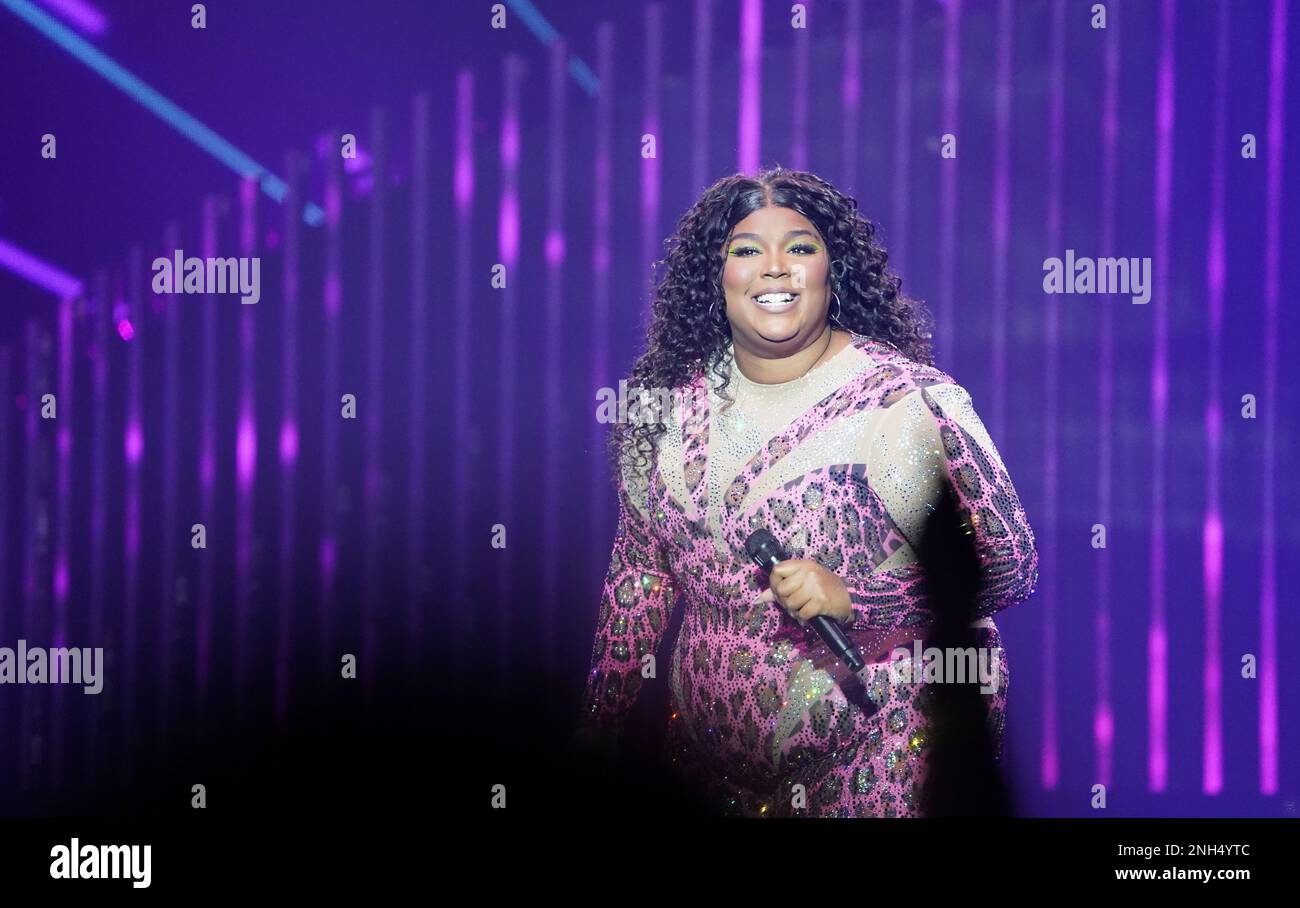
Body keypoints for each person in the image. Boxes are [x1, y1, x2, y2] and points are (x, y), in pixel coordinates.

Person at [577, 167, 1038, 817]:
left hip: (884, 753)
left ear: (832, 270)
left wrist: (858, 598)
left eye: (799, 247)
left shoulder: (900, 404)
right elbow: (639, 581)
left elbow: (1006, 562)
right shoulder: (663, 412)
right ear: (716, 275)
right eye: (745, 250)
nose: (774, 268)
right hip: (710, 774)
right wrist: (595, 738)